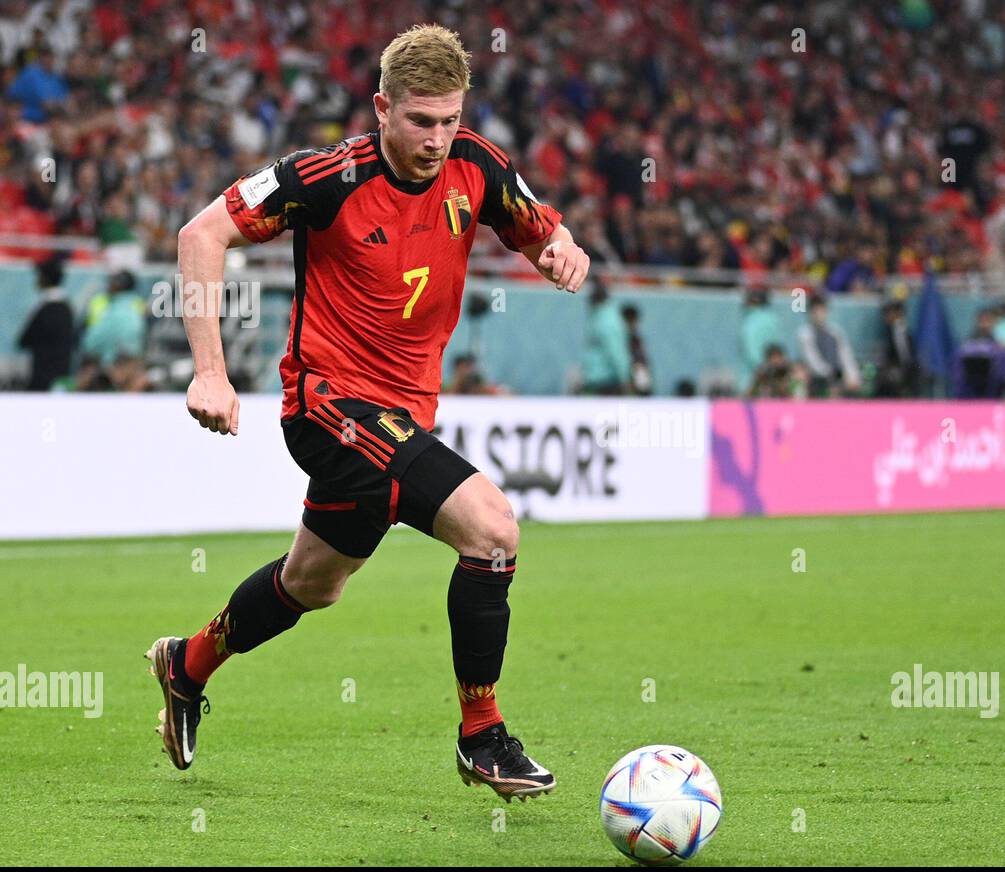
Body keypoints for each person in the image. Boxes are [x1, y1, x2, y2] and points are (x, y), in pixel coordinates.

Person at [149, 24, 590, 802]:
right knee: (492, 529)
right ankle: (481, 735)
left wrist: (562, 248)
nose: (437, 138)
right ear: (382, 107)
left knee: (312, 584)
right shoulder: (323, 176)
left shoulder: (475, 165)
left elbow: (540, 228)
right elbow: (201, 234)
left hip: (403, 418)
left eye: (450, 120)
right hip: (326, 403)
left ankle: (187, 666)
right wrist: (211, 373)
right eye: (421, 121)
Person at [19, 257, 75, 391]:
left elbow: (24, 340)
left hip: (43, 381)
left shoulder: (47, 309)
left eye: (39, 276)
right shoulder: (66, 308)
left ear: (45, 279)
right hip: (59, 377)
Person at [796, 293, 861, 397]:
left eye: (821, 310)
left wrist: (852, 376)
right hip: (817, 378)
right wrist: (832, 375)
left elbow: (846, 356)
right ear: (810, 313)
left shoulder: (835, 332)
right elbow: (812, 361)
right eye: (815, 311)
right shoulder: (805, 333)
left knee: (853, 384)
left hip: (837, 377)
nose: (819, 314)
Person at [80, 270, 146, 366]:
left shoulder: (116, 308)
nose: (109, 285)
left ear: (118, 285)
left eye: (113, 282)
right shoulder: (139, 304)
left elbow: (90, 343)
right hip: (131, 362)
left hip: (111, 362)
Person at [951, 307, 1005, 399]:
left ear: (994, 323)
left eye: (988, 321)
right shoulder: (964, 347)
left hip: (992, 396)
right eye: (982, 321)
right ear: (976, 322)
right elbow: (957, 374)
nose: (984, 325)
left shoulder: (1001, 350)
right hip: (967, 397)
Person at [580, 280, 631, 394]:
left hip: (607, 380)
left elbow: (616, 351)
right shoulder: (599, 317)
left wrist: (624, 377)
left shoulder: (607, 321)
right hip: (598, 378)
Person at [875, 299, 920, 398]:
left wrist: (902, 369)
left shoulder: (902, 331)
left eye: (888, 313)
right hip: (894, 371)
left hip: (905, 371)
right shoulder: (890, 330)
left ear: (898, 313)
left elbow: (905, 355)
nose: (885, 317)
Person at [740, 287, 782, 384]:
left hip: (751, 377)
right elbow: (777, 348)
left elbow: (750, 350)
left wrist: (762, 367)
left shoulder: (750, 322)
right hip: (772, 374)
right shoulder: (773, 320)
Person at [623, 304, 653, 396]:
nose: (632, 325)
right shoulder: (619, 339)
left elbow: (643, 360)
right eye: (629, 321)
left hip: (636, 374)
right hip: (624, 375)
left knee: (641, 373)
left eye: (633, 321)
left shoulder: (637, 340)